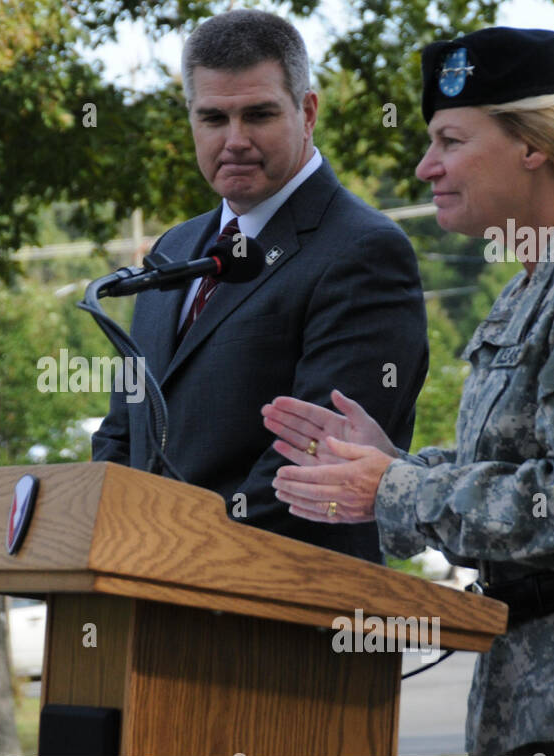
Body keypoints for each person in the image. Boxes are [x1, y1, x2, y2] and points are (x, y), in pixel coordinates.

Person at [263, 27, 554, 756]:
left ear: (533, 144)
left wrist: (394, 491)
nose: (426, 168)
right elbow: (530, 465)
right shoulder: (536, 285)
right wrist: (398, 464)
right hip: (548, 698)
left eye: (450, 140)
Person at [91, 8, 428, 563]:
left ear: (308, 111)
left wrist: (174, 554)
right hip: (147, 596)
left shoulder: (364, 250)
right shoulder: (174, 250)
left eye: (259, 114)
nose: (236, 140)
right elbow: (122, 432)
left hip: (286, 611)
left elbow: (316, 460)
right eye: (214, 119)